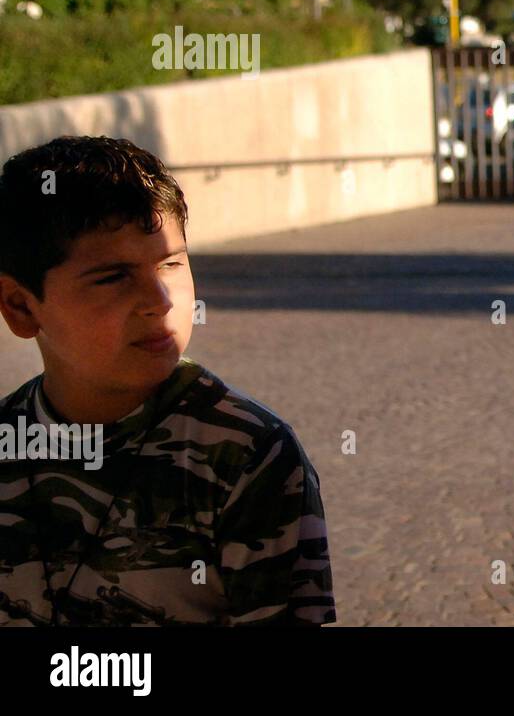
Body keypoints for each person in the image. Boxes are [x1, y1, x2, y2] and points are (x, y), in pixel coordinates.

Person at [0, 136, 335, 626]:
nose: (159, 299)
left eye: (171, 264)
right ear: (22, 307)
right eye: (113, 277)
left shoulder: (247, 455)